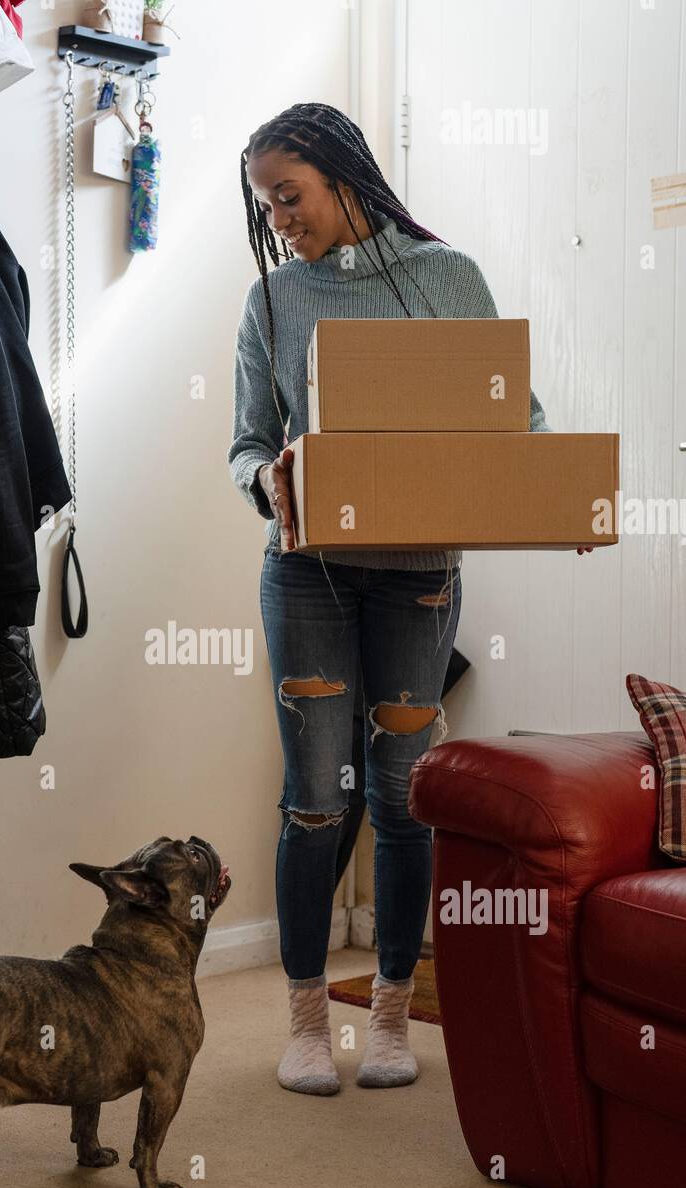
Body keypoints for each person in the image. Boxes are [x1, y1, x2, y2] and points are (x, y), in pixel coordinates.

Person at [229, 102, 593, 1097]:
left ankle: (388, 1017)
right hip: (305, 570)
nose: (282, 218)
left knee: (400, 798)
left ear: (347, 177)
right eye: (267, 203)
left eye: (291, 196)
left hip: (417, 575)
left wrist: (542, 490)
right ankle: (307, 1025)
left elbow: (517, 421)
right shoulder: (273, 299)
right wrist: (265, 479)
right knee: (315, 802)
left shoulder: (449, 279)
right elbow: (248, 441)